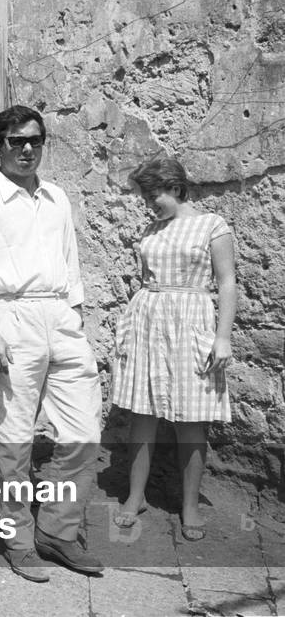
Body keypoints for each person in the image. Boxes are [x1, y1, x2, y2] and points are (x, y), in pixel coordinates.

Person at [0, 105, 103, 582]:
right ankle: (18, 538)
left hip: (59, 314)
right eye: (17, 140)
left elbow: (71, 260)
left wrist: (75, 317)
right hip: (10, 316)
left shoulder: (57, 197)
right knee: (15, 437)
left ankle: (57, 532)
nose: (27, 149)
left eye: (35, 140)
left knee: (84, 429)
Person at [111, 157, 237, 541]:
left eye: (154, 195)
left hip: (191, 320)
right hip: (149, 320)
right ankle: (135, 497)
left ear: (176, 188)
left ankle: (190, 505)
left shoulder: (212, 225)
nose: (149, 203)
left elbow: (227, 282)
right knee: (142, 413)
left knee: (191, 419)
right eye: (146, 196)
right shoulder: (152, 229)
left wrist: (223, 336)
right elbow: (146, 278)